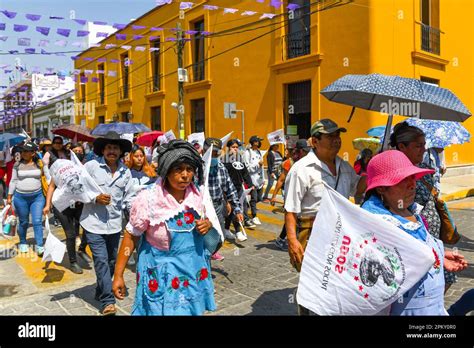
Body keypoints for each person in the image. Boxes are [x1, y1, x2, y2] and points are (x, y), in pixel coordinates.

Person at [112, 140, 216, 315]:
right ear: (166, 171)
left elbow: (207, 218)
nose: (185, 175)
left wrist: (208, 224)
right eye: (178, 169)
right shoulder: (148, 199)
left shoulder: (197, 194)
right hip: (162, 273)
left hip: (192, 268)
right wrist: (118, 274)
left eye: (189, 169)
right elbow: (131, 236)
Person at [361, 150, 467, 315]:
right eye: (403, 179)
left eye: (412, 177)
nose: (413, 184)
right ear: (381, 188)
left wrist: (439, 255)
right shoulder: (379, 225)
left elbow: (417, 248)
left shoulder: (409, 210)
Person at [285, 119, 366, 315]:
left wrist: (372, 169)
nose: (336, 140)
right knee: (311, 280)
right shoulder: (302, 169)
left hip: (341, 231)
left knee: (336, 279)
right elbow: (290, 209)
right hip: (311, 231)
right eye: (330, 136)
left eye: (337, 136)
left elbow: (359, 189)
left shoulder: (345, 167)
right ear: (315, 141)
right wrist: (293, 240)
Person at [390, 121, 457, 290]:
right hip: (413, 238)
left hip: (432, 235)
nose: (423, 149)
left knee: (446, 277)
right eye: (418, 146)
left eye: (424, 145)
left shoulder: (426, 168)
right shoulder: (394, 172)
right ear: (402, 147)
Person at [79, 131, 135, 315]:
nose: (112, 151)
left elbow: (129, 197)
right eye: (109, 147)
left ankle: (99, 288)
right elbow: (78, 189)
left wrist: (135, 212)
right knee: (101, 261)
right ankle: (107, 301)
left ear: (120, 152)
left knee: (112, 262)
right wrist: (94, 198)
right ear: (103, 150)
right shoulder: (91, 167)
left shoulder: (125, 172)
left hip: (114, 226)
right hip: (93, 224)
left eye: (115, 148)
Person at [43, 143, 89, 274]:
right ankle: (73, 262)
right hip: (62, 206)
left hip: (78, 205)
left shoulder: (82, 168)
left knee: (88, 227)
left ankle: (82, 249)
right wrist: (47, 205)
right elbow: (51, 187)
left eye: (79, 152)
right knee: (70, 234)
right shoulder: (60, 170)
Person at [204, 138, 244, 260]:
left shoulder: (221, 167)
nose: (214, 156)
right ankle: (204, 266)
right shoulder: (198, 168)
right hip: (203, 209)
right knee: (204, 240)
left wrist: (237, 209)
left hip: (218, 206)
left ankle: (209, 255)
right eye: (211, 153)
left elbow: (230, 188)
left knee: (220, 238)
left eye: (217, 153)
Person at [7, 142, 46, 255]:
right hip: (20, 198)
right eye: (22, 151)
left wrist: (49, 197)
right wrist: (9, 196)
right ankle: (23, 242)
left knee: (37, 221)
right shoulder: (17, 165)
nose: (23, 153)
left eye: (26, 151)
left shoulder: (40, 164)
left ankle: (40, 245)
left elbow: (47, 178)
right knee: (23, 222)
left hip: (37, 197)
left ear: (33, 153)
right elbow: (13, 181)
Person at [271, 139, 311, 250]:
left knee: (299, 218)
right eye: (306, 151)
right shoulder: (290, 163)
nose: (308, 153)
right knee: (292, 217)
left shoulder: (307, 162)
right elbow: (281, 180)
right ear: (300, 151)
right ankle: (282, 239)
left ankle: (294, 239)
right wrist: (274, 196)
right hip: (290, 194)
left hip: (302, 193)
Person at [222, 139, 254, 242]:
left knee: (237, 209)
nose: (235, 149)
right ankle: (234, 230)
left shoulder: (240, 159)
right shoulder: (224, 160)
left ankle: (233, 230)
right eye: (233, 147)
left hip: (239, 189)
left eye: (237, 147)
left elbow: (245, 173)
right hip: (228, 189)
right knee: (232, 210)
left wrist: (250, 184)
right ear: (228, 148)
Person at [244, 135, 265, 226]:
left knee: (259, 198)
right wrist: (257, 165)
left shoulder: (259, 152)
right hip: (252, 179)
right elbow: (247, 168)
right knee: (254, 198)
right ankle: (254, 216)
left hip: (259, 180)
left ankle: (248, 206)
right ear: (253, 142)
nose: (259, 142)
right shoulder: (247, 153)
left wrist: (263, 179)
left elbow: (262, 167)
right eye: (257, 141)